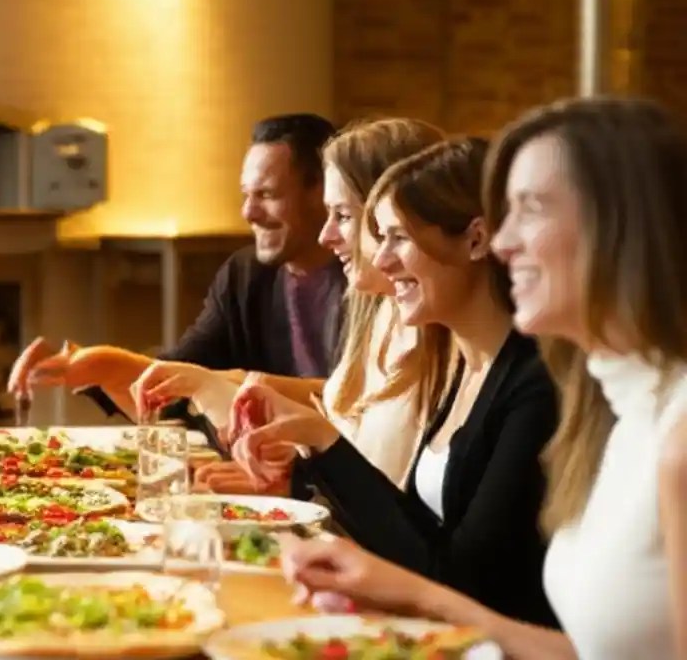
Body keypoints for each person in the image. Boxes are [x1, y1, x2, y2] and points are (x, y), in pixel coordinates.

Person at [281, 97, 687, 659]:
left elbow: (469, 573)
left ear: (620, 226)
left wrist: (414, 594)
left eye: (532, 209)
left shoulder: (669, 431)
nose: (502, 241)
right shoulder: (615, 409)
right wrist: (387, 584)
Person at [238, 139, 559, 626]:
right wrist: (314, 439)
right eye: (379, 238)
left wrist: (327, 444)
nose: (382, 262)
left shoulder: (535, 384)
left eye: (398, 238)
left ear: (476, 240)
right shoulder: (468, 364)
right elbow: (421, 533)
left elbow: (459, 579)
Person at [134, 118, 446, 493]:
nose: (248, 212)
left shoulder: (386, 301)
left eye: (342, 215)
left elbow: (382, 486)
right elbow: (345, 429)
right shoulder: (374, 308)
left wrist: (297, 473)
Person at [8, 114, 344, 442]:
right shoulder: (245, 274)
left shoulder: (364, 278)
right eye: (246, 195)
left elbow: (353, 406)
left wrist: (227, 383)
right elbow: (178, 385)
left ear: (322, 190)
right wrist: (94, 365)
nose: (249, 212)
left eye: (267, 195)